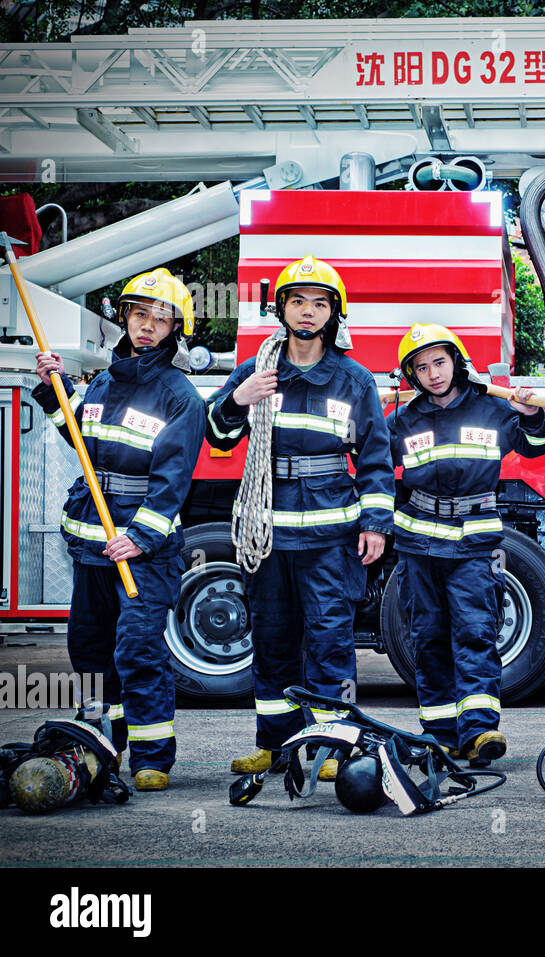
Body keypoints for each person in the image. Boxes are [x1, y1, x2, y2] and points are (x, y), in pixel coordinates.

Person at [205, 256, 393, 778]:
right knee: (271, 639)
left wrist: (375, 524)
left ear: (334, 313)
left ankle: (332, 746)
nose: (307, 312)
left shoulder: (353, 380)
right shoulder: (256, 372)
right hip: (268, 536)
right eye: (297, 301)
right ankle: (277, 744)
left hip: (331, 538)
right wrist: (236, 401)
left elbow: (376, 457)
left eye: (318, 303)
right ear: (281, 309)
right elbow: (219, 440)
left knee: (330, 640)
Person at [33, 267, 205, 792]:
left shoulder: (181, 397)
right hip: (91, 544)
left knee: (136, 648)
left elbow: (172, 483)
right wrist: (55, 391)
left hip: (143, 552)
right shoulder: (106, 381)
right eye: (139, 314)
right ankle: (100, 744)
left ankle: (152, 755)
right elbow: (83, 442)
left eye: (160, 318)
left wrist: (140, 537)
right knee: (89, 648)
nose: (147, 326)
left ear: (176, 328)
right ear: (125, 319)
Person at [389, 323, 545, 765]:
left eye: (440, 362)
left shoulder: (492, 409)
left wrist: (531, 414)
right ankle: (441, 734)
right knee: (427, 637)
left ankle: (480, 731)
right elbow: (369, 459)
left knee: (475, 631)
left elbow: (541, 446)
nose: (433, 374)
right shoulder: (403, 420)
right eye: (421, 367)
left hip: (472, 542)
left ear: (456, 362)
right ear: (412, 375)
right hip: (419, 542)